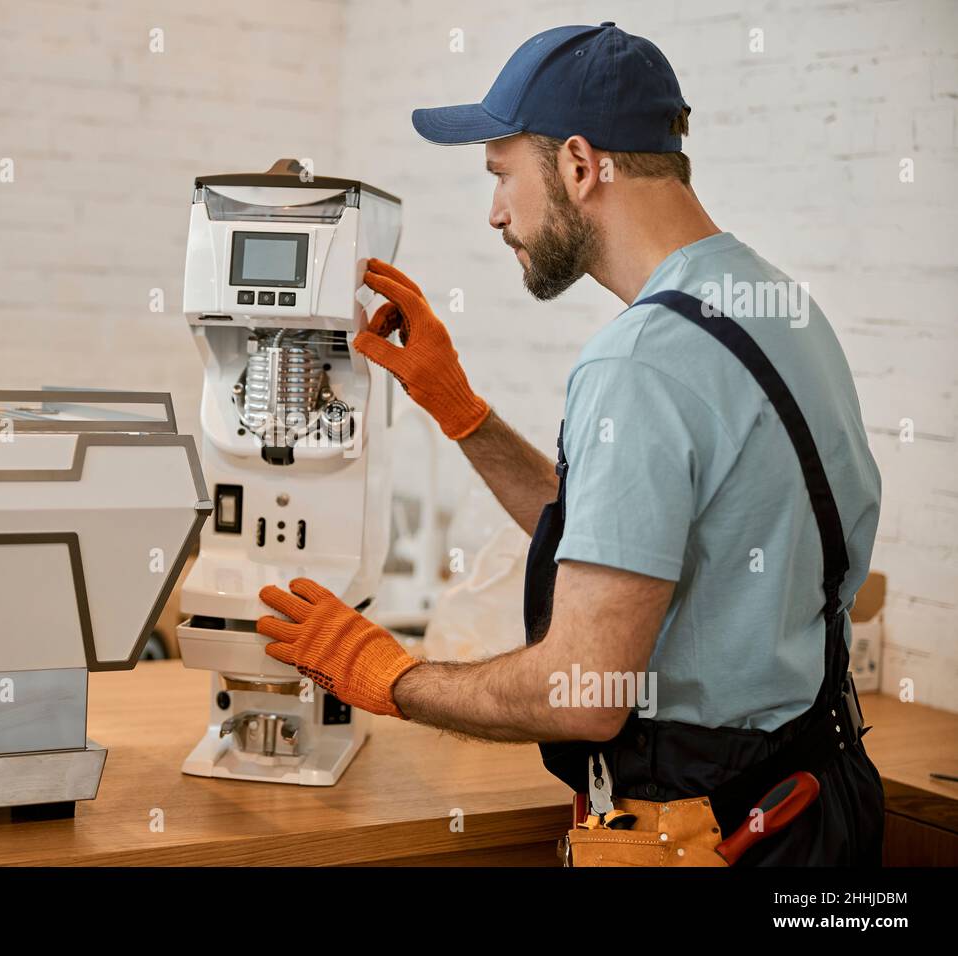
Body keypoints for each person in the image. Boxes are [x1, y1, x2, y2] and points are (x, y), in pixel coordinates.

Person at [256, 22, 885, 865]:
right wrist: (462, 412)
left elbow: (580, 693)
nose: (494, 214)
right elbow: (630, 536)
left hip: (716, 833)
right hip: (822, 796)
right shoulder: (777, 306)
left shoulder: (640, 361)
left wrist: (390, 678)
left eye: (501, 175)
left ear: (582, 166)